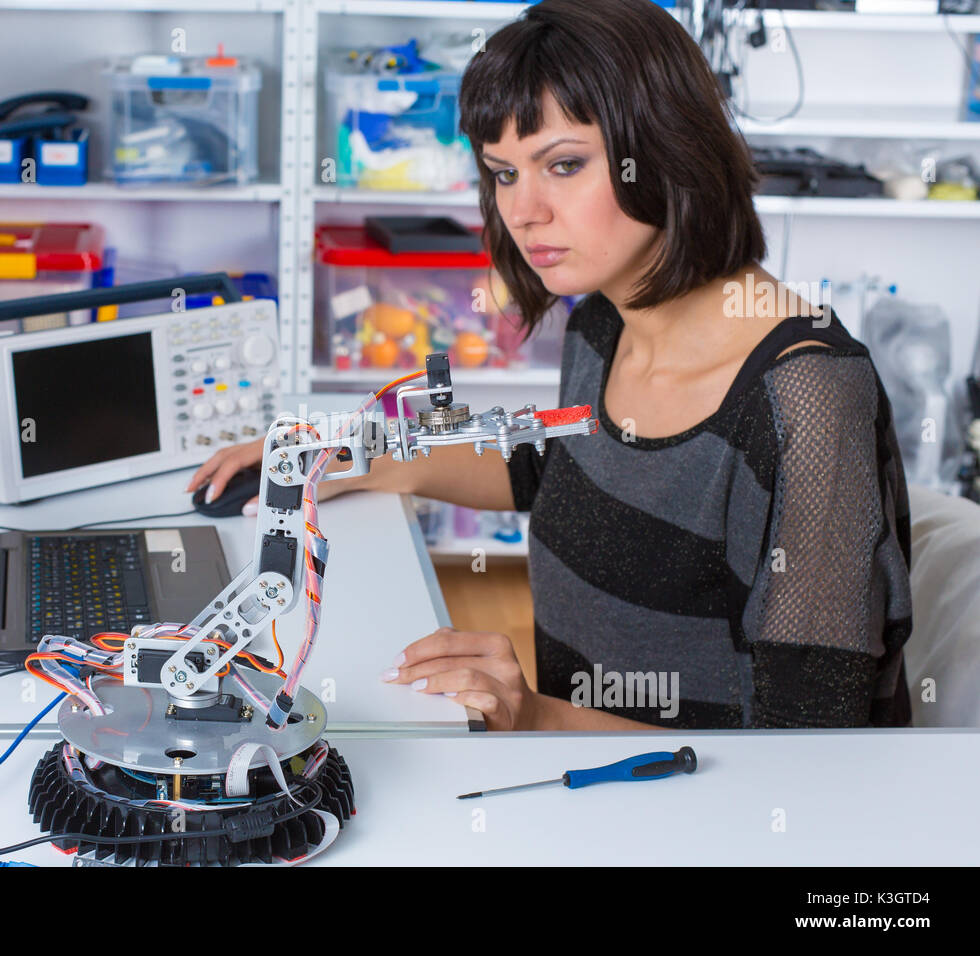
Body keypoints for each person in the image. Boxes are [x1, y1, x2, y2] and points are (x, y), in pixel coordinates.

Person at [186, 0, 913, 731]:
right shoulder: (605, 318)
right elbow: (557, 468)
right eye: (503, 174)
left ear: (668, 147)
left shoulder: (809, 400)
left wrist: (536, 719)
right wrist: (349, 458)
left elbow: (812, 755)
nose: (523, 210)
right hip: (596, 777)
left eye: (563, 165)